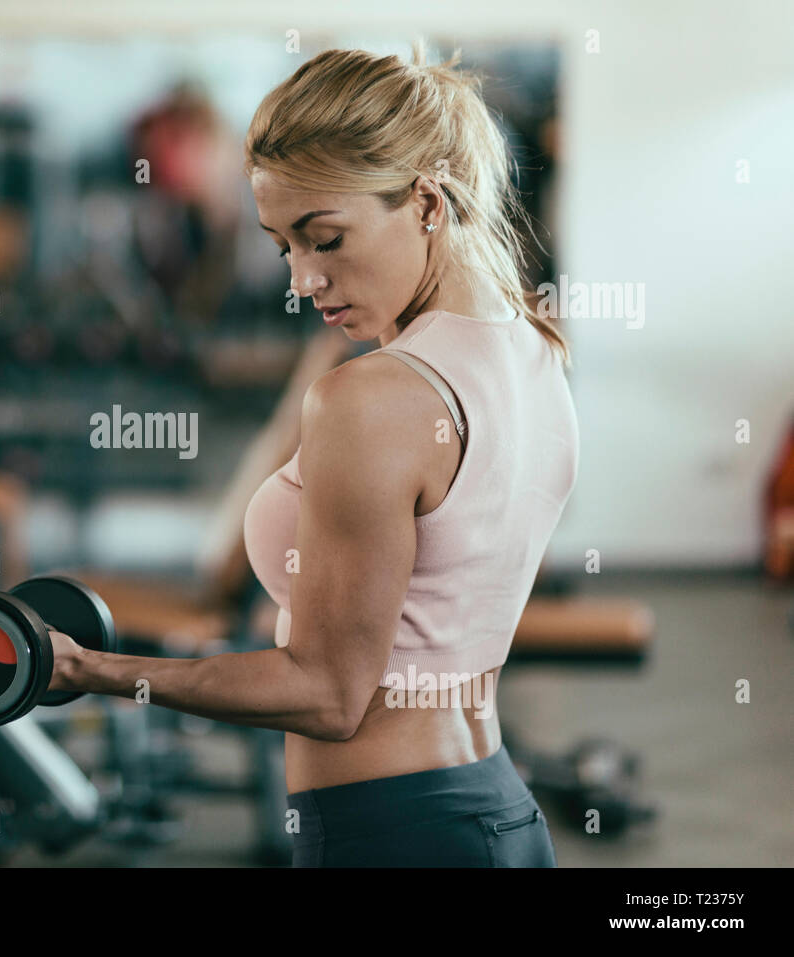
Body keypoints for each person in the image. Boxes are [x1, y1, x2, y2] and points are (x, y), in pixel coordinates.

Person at [46, 40, 579, 867]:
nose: (301, 278)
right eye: (281, 244)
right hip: (496, 810)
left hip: (389, 831)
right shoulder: (537, 352)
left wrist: (92, 669)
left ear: (429, 204)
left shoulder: (373, 399)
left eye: (324, 238)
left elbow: (329, 695)